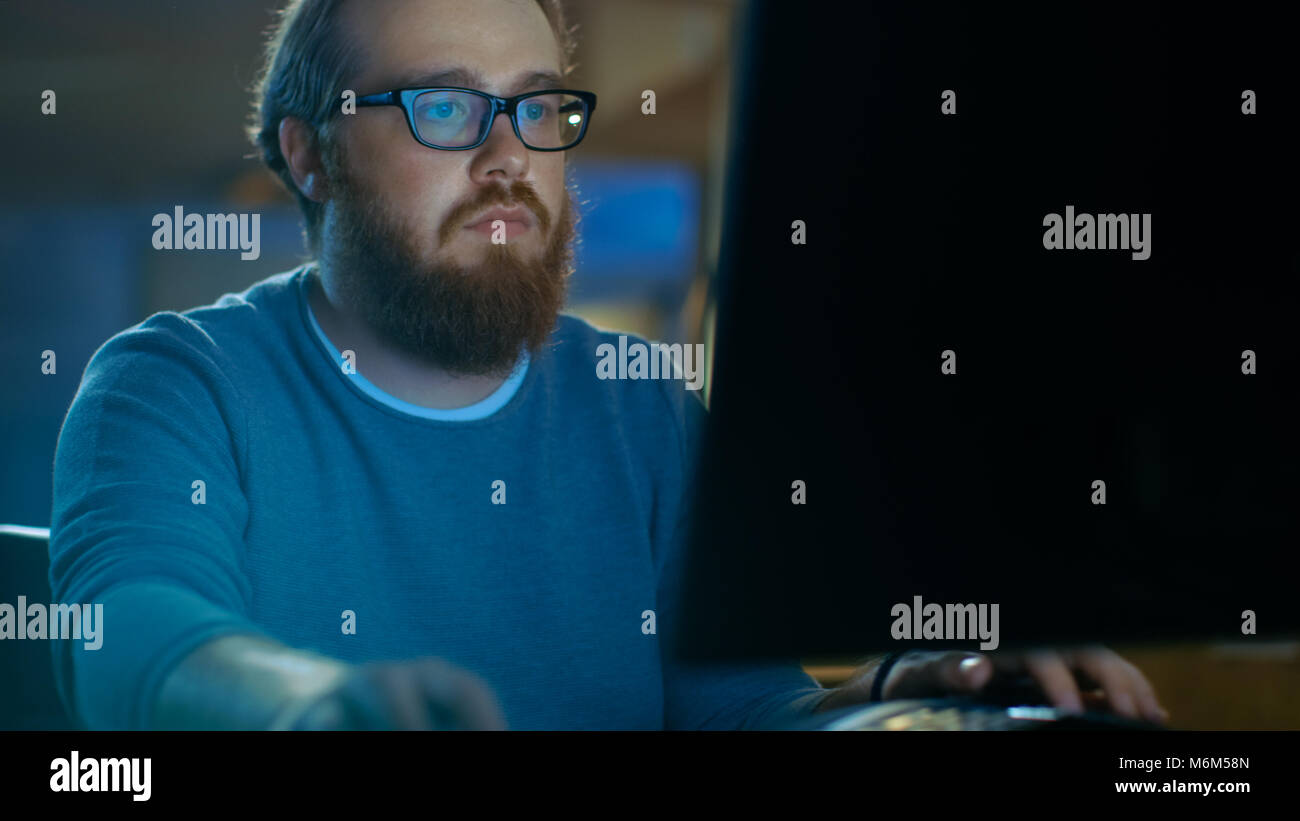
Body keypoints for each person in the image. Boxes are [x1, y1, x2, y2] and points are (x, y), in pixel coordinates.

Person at [49, 0, 1167, 730]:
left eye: (537, 108)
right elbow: (134, 645)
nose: (507, 160)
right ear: (313, 153)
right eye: (444, 107)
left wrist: (895, 694)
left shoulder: (645, 411)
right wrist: (313, 706)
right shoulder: (174, 384)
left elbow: (742, 716)